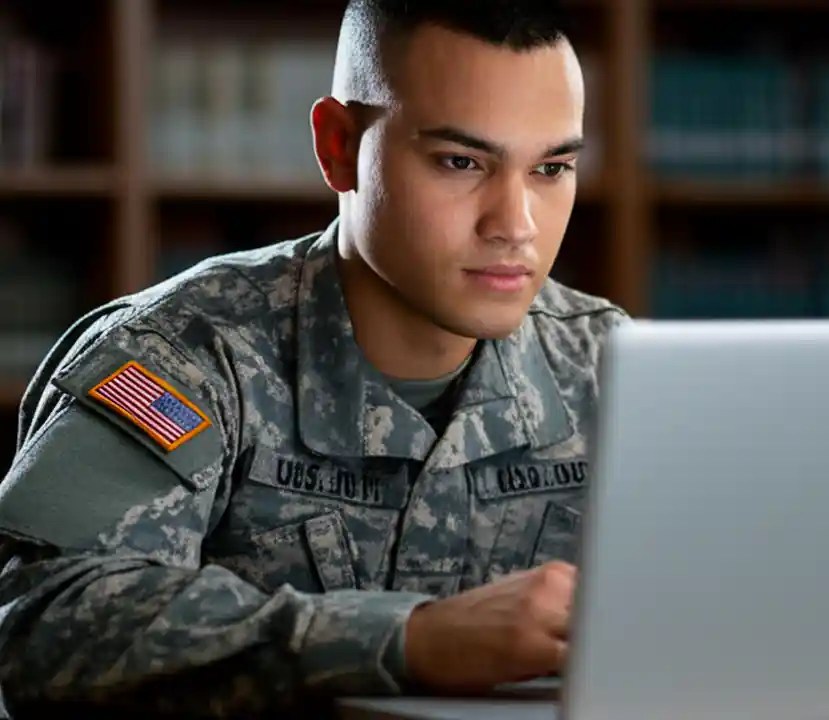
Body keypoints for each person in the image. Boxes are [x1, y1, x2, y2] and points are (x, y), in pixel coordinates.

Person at [0, 0, 625, 716]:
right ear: (338, 148)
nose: (515, 225)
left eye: (550, 168)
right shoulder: (183, 356)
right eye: (461, 162)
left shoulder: (612, 367)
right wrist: (404, 641)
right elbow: (43, 622)